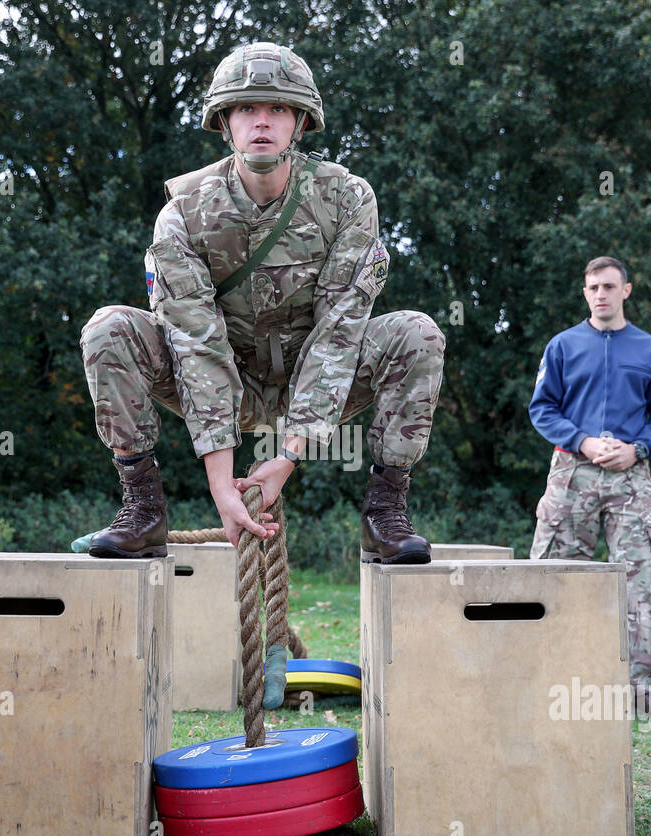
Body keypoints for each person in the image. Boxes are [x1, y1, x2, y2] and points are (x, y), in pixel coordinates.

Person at [77, 42, 444, 563]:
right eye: (247, 108)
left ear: (301, 122)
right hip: (220, 377)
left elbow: (338, 332)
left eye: (277, 109)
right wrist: (223, 485)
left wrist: (289, 455)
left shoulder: (347, 199)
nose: (262, 121)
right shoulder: (184, 211)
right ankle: (143, 506)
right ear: (225, 124)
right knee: (108, 327)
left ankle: (385, 513)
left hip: (310, 379)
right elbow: (196, 342)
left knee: (418, 333)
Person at [527, 257, 651, 718]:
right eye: (593, 286)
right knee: (554, 576)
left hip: (631, 477)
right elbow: (543, 409)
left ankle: (643, 689)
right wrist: (583, 440)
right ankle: (546, 676)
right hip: (572, 471)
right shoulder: (563, 346)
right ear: (584, 292)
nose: (601, 294)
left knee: (638, 578)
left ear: (626, 291)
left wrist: (639, 449)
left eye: (610, 286)